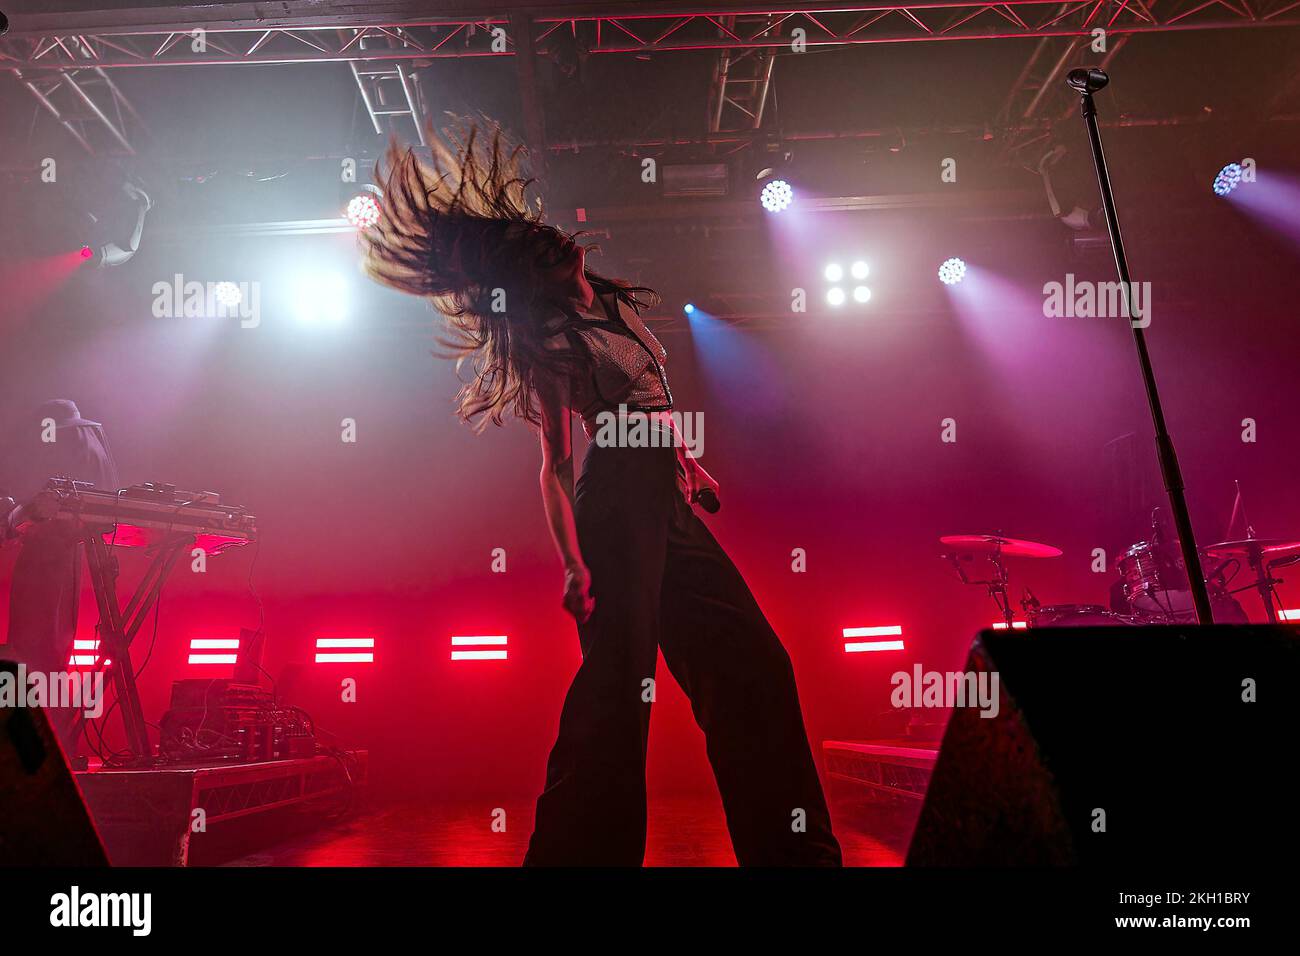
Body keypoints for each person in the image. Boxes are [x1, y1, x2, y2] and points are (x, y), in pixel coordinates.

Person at [361, 125, 841, 866]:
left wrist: (686, 462)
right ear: (532, 281)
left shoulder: (614, 301)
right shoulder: (551, 341)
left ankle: (798, 856)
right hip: (614, 500)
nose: (555, 243)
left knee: (754, 666)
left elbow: (651, 397)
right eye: (537, 252)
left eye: (547, 235)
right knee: (621, 689)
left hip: (663, 495)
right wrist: (573, 564)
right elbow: (556, 462)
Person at [1, 400, 119, 748]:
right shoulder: (68, 454)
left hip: (55, 553)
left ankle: (37, 743)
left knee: (40, 654)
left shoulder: (53, 459)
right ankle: (35, 743)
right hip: (52, 554)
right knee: (40, 653)